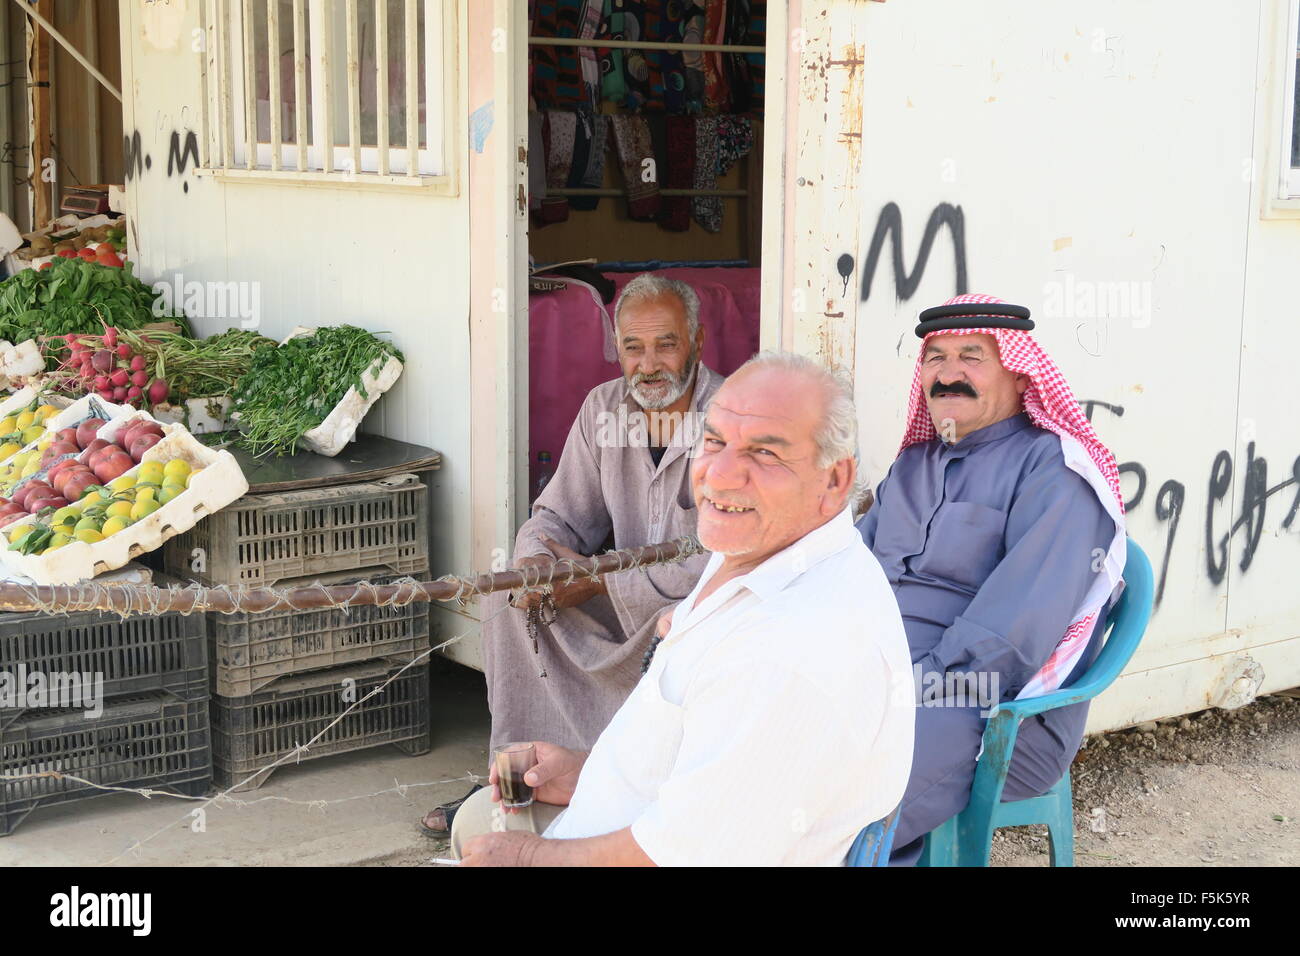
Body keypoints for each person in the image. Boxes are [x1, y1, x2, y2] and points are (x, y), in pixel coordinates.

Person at [450, 352, 915, 866]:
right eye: (713, 441)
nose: (719, 476)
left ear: (834, 480)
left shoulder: (793, 650)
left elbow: (689, 856)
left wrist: (528, 859)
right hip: (635, 822)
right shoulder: (757, 552)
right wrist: (590, 770)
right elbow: (702, 758)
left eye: (764, 453)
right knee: (477, 821)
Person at [421, 274, 720, 835]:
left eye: (666, 344)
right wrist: (537, 562)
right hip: (617, 597)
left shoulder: (727, 418)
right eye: (633, 347)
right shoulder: (603, 408)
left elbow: (720, 560)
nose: (648, 364)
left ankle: (612, 783)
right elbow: (557, 515)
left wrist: (601, 583)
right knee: (510, 596)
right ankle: (516, 778)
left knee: (680, 629)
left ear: (698, 343)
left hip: (686, 611)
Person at [855, 292, 1126, 864]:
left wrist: (908, 683)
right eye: (935, 359)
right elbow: (845, 573)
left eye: (972, 356)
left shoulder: (1056, 471)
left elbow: (1013, 634)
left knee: (846, 800)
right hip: (877, 669)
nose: (949, 375)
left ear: (1021, 375)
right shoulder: (911, 465)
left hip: (987, 704)